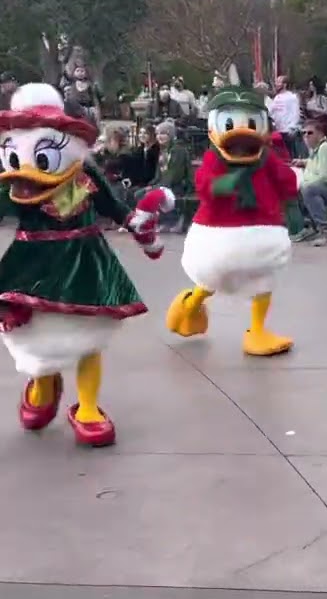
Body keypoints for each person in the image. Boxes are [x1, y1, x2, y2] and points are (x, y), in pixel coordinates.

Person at [0, 82, 170, 447]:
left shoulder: (85, 176)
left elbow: (114, 207)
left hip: (86, 261)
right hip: (31, 264)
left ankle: (88, 406)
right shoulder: (12, 185)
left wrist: (137, 225)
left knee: (89, 337)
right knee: (36, 336)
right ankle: (43, 383)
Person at [164, 66, 298, 357]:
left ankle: (256, 331)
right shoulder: (215, 160)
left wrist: (288, 181)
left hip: (260, 235)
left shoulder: (266, 159)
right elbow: (205, 186)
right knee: (216, 278)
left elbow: (287, 184)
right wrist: (225, 184)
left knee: (261, 283)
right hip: (221, 236)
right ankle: (191, 305)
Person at [292, 118, 327, 246]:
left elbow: (325, 176)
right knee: (297, 190)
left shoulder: (325, 148)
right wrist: (303, 162)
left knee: (308, 190)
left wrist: (305, 183)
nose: (306, 136)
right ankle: (307, 228)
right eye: (303, 133)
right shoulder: (316, 149)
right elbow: (316, 163)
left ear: (320, 134)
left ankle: (325, 231)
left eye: (310, 133)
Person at [134, 120, 192, 232]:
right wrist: (151, 185)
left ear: (170, 135)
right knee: (139, 193)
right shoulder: (163, 150)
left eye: (163, 133)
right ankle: (149, 221)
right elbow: (158, 174)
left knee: (153, 194)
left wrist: (155, 187)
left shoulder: (178, 151)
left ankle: (168, 222)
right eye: (158, 134)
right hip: (164, 185)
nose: (159, 136)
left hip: (179, 186)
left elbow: (175, 176)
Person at [269, 75, 303, 157]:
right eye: (276, 82)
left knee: (289, 153)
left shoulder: (292, 97)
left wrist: (292, 128)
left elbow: (296, 113)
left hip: (288, 131)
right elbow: (272, 112)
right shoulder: (276, 97)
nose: (276, 84)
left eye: (278, 82)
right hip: (278, 131)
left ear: (284, 85)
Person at [129, 124, 160, 189]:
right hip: (138, 183)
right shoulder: (138, 150)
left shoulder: (157, 150)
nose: (142, 135)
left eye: (145, 133)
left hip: (152, 184)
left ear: (151, 135)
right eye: (140, 133)